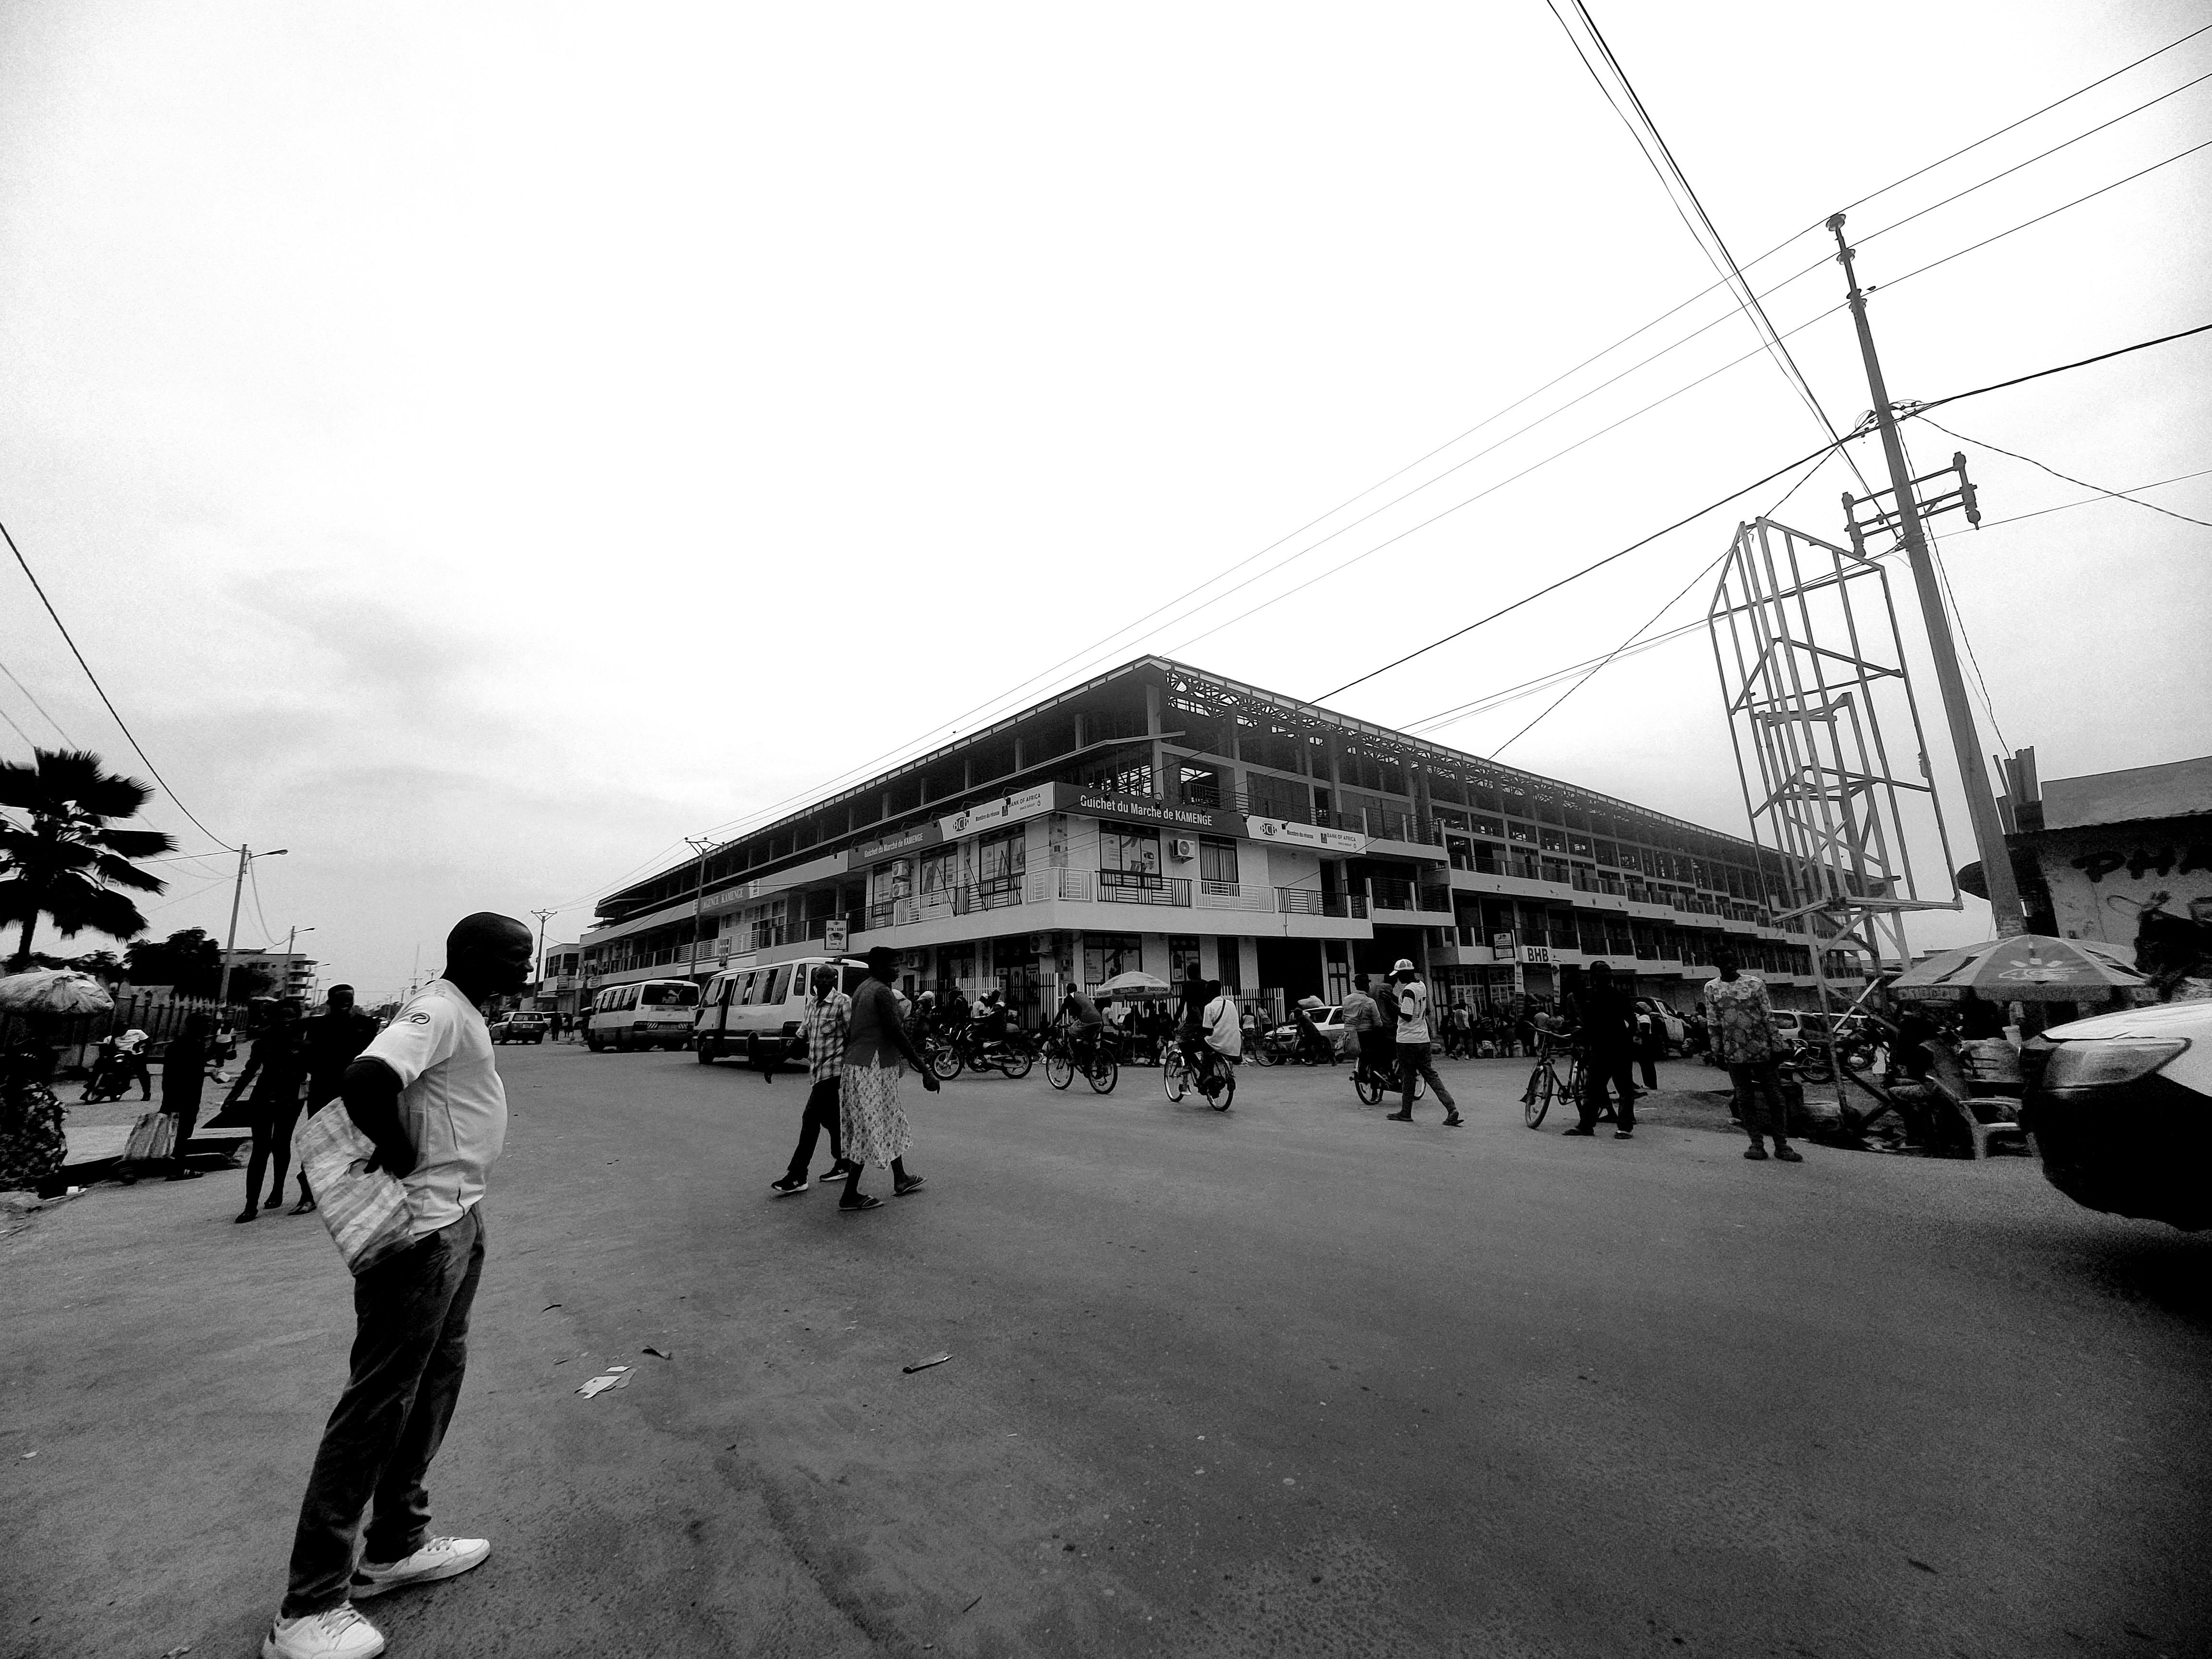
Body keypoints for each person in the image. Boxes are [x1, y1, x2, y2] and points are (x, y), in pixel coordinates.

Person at [262, 912, 533, 1659]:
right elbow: (367, 1077)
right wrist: (401, 1144)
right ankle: (310, 1605)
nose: (526, 967)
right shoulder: (439, 1009)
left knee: (436, 1379)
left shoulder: (465, 1013)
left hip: (459, 1220)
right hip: (420, 1234)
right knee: (379, 1401)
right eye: (516, 956)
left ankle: (396, 1543)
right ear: (473, 956)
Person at [838, 945, 940, 1212]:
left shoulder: (864, 988)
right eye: (893, 965)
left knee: (890, 1119)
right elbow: (896, 1032)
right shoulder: (882, 992)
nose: (897, 969)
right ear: (877, 966)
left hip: (862, 1063)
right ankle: (850, 1194)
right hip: (871, 1065)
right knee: (868, 1125)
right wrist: (925, 1070)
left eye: (898, 964)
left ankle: (901, 1178)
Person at [1703, 947, 1801, 1164]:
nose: (1731, 964)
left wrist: (1776, 1045)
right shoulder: (1712, 988)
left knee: (1775, 1098)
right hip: (1733, 1053)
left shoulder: (1755, 984)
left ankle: (1782, 1144)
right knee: (1745, 1100)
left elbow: (1768, 1017)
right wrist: (1717, 1052)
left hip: (1762, 1051)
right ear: (1716, 963)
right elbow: (1713, 1023)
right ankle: (1756, 1143)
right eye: (1725, 960)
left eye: (1733, 959)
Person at [296, 986, 382, 1214]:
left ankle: (362, 1189)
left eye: (349, 999)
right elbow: (307, 1057)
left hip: (358, 1089)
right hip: (323, 1090)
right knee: (319, 1140)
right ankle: (309, 1194)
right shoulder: (317, 1025)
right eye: (339, 999)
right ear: (329, 1002)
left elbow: (375, 1054)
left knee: (361, 1139)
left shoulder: (366, 1024)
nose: (345, 1003)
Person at [771, 965, 854, 1196]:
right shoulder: (811, 1005)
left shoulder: (842, 1002)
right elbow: (801, 1037)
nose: (824, 980)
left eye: (829, 977)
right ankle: (844, 1162)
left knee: (810, 1120)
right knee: (831, 1121)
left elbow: (853, 1035)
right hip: (818, 1073)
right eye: (820, 977)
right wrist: (778, 1061)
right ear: (814, 980)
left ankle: (797, 1175)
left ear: (834, 979)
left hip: (835, 1073)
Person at [225, 1003, 308, 1224]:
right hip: (263, 1096)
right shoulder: (262, 1044)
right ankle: (250, 1205)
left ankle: (277, 1190)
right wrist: (233, 1095)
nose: (287, 1021)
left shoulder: (304, 1045)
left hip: (291, 1099)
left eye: (291, 1017)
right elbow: (250, 1070)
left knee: (281, 1143)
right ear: (273, 1020)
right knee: (260, 1149)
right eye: (282, 1017)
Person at [1564, 962, 1638, 1140]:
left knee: (1617, 1089)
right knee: (1596, 1089)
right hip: (1604, 1048)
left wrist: (1623, 1039)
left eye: (1606, 973)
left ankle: (1622, 1127)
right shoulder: (1592, 996)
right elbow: (1630, 1023)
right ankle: (1589, 1126)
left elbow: (1632, 1022)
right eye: (1602, 973)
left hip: (1613, 1048)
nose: (1604, 976)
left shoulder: (1600, 996)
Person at [1384, 959, 1461, 1127]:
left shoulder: (1409, 990)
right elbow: (1418, 1010)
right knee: (1430, 1075)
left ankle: (1406, 1112)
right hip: (1423, 1038)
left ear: (1405, 974)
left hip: (1407, 1040)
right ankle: (1451, 1107)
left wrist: (1391, 1004)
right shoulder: (1421, 986)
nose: (1398, 980)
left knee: (1408, 1077)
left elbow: (1407, 1015)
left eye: (1398, 976)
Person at [160, 1012, 213, 1181]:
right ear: (196, 1025)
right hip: (185, 1095)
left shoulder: (185, 1042)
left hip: (176, 1093)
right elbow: (188, 1071)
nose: (210, 1026)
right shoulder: (190, 1044)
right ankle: (178, 1169)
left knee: (179, 1132)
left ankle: (176, 1166)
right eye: (207, 1023)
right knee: (182, 1133)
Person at [1340, 973, 1390, 1094]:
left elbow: (1343, 1017)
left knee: (1365, 1055)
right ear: (1366, 985)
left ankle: (1363, 1073)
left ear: (1356, 985)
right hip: (1367, 1034)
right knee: (1380, 1053)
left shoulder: (1346, 1000)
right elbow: (1378, 1022)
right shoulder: (1370, 1002)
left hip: (1351, 1035)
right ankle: (1377, 1079)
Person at [1197, 979, 1240, 1098]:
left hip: (1219, 1043)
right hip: (1234, 1043)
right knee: (1211, 1049)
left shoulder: (1209, 1007)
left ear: (1209, 991)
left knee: (1199, 1046)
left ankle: (1207, 1075)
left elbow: (1207, 1030)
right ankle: (1227, 1076)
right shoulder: (1231, 1004)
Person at [1058, 983, 1106, 1073]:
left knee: (1069, 1033)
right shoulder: (1082, 995)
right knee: (1087, 1041)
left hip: (1087, 1020)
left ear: (1067, 991)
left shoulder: (1070, 996)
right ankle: (1090, 1064)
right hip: (1099, 1020)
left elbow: (1061, 1012)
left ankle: (1076, 1058)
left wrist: (1053, 1024)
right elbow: (1080, 1010)